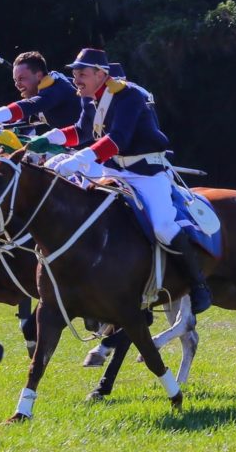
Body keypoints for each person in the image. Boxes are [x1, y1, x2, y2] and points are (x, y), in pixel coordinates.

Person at [39, 48, 210, 313]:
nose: (76, 80)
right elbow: (82, 131)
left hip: (146, 173)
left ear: (100, 74)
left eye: (82, 74)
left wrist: (80, 159)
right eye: (75, 74)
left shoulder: (129, 95)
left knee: (163, 226)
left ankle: (198, 284)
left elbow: (118, 139)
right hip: (113, 170)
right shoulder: (89, 99)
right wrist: (48, 139)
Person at [0, 51, 81, 131]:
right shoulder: (40, 92)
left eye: (21, 78)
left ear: (39, 76)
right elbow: (22, 126)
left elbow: (28, 106)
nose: (17, 84)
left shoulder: (56, 89)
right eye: (15, 80)